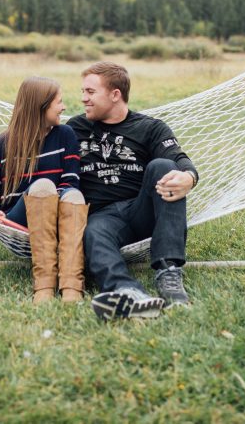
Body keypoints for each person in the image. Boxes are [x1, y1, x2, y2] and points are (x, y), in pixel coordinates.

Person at [71, 61, 198, 321]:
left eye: (90, 92)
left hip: (141, 209)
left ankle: (169, 272)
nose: (83, 99)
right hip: (102, 216)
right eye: (83, 92)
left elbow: (179, 158)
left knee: (164, 166)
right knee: (94, 233)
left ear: (115, 94)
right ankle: (128, 292)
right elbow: (33, 147)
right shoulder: (75, 128)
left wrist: (189, 177)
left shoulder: (150, 128)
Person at [0, 77, 87, 303]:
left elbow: (70, 183)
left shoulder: (65, 135)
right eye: (59, 102)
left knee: (74, 194)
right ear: (41, 106)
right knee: (44, 185)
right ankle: (44, 285)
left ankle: (72, 286)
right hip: (20, 221)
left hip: (60, 215)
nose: (64, 107)